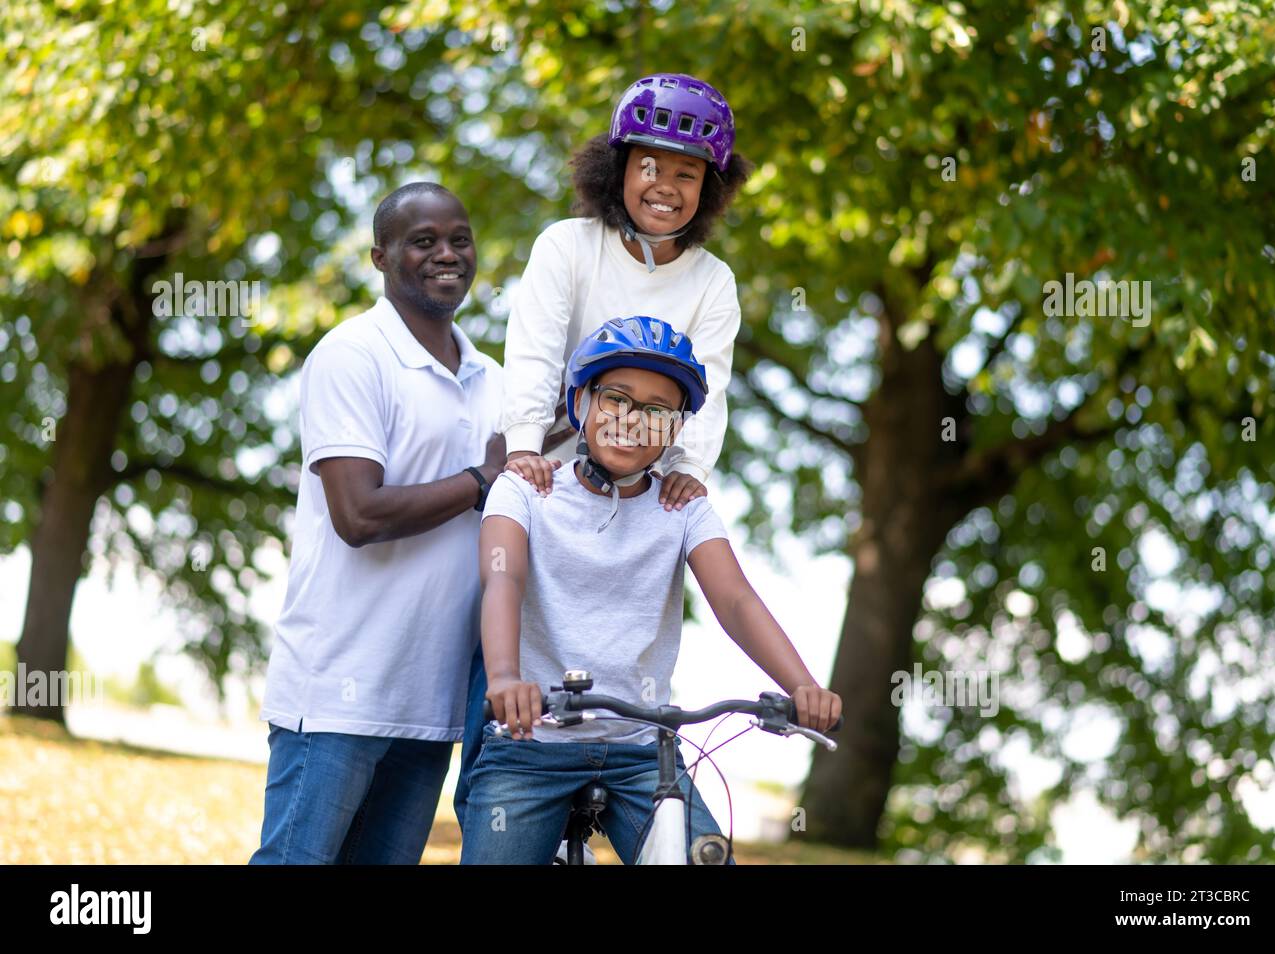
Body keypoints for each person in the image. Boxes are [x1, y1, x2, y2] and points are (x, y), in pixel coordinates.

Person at [453, 72, 755, 829]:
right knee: (507, 632)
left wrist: (687, 473)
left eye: (687, 174)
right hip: (549, 475)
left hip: (642, 478)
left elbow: (709, 386)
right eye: (650, 165)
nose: (665, 185)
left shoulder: (712, 283)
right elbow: (531, 350)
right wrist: (525, 448)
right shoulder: (569, 245)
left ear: (708, 190)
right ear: (617, 169)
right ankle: (497, 794)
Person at [458, 317, 841, 865]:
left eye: (659, 411)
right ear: (581, 402)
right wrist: (503, 678)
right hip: (532, 747)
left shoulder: (682, 508)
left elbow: (736, 600)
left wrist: (802, 686)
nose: (634, 421)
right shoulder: (526, 489)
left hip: (642, 750)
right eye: (617, 398)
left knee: (703, 859)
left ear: (676, 429)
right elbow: (503, 577)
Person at [250, 183, 506, 864]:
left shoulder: (496, 380)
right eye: (423, 241)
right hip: (336, 694)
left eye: (459, 238)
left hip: (431, 707)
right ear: (380, 257)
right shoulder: (352, 355)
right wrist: (481, 481)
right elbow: (357, 513)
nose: (446, 253)